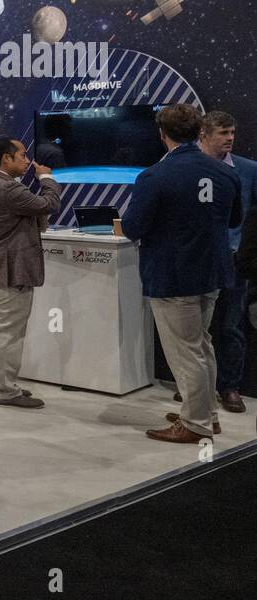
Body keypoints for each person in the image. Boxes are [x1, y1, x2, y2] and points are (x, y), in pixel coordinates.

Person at [122, 104, 242, 443]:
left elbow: (132, 227)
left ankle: (196, 424)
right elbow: (233, 221)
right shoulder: (226, 173)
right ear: (199, 131)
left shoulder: (154, 176)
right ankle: (207, 414)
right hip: (212, 274)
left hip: (173, 277)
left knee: (187, 352)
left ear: (162, 134)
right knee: (201, 346)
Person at [0, 138, 61, 409]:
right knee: (9, 332)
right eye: (22, 155)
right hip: (10, 272)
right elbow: (47, 204)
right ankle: (5, 389)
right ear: (6, 159)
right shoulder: (8, 189)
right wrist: (47, 178)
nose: (28, 160)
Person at [198, 111, 257, 414]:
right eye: (223, 133)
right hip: (199, 260)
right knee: (197, 328)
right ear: (204, 135)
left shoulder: (249, 170)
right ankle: (197, 388)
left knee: (231, 326)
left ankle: (230, 387)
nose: (230, 138)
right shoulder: (189, 168)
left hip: (234, 261)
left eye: (232, 132)